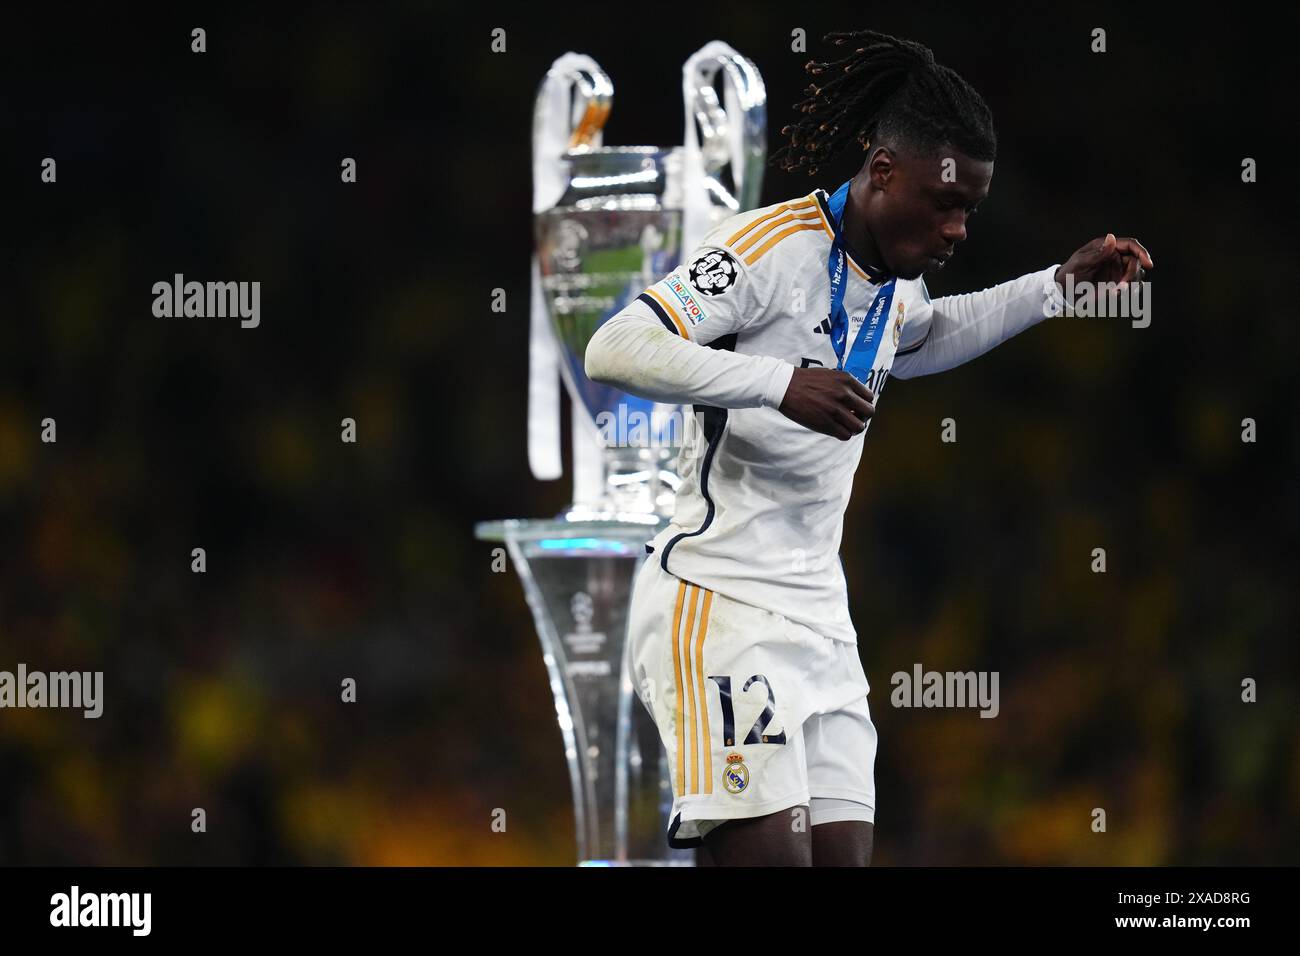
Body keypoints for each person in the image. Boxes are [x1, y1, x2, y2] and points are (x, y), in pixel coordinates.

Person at [584, 30, 1152, 866]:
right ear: (882, 171)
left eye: (970, 211)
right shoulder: (765, 252)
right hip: (719, 603)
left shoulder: (896, 279)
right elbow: (614, 348)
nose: (957, 230)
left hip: (820, 617)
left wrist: (1052, 290)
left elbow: (921, 340)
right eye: (943, 204)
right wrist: (779, 382)